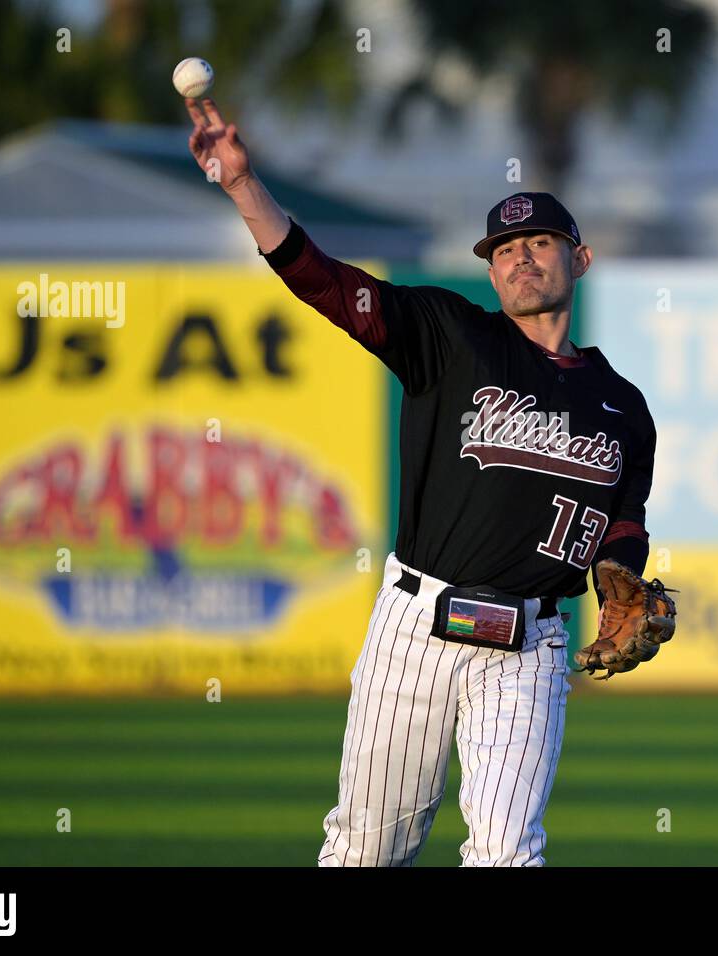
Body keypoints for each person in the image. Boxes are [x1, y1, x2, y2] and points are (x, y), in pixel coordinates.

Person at [185, 96, 656, 866]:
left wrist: (621, 581)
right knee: (368, 853)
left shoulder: (623, 408)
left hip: (531, 645)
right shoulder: (449, 333)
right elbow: (324, 282)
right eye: (504, 248)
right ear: (489, 267)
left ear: (581, 259)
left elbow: (623, 525)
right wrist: (242, 186)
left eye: (541, 241)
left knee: (507, 853)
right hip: (415, 629)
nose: (521, 257)